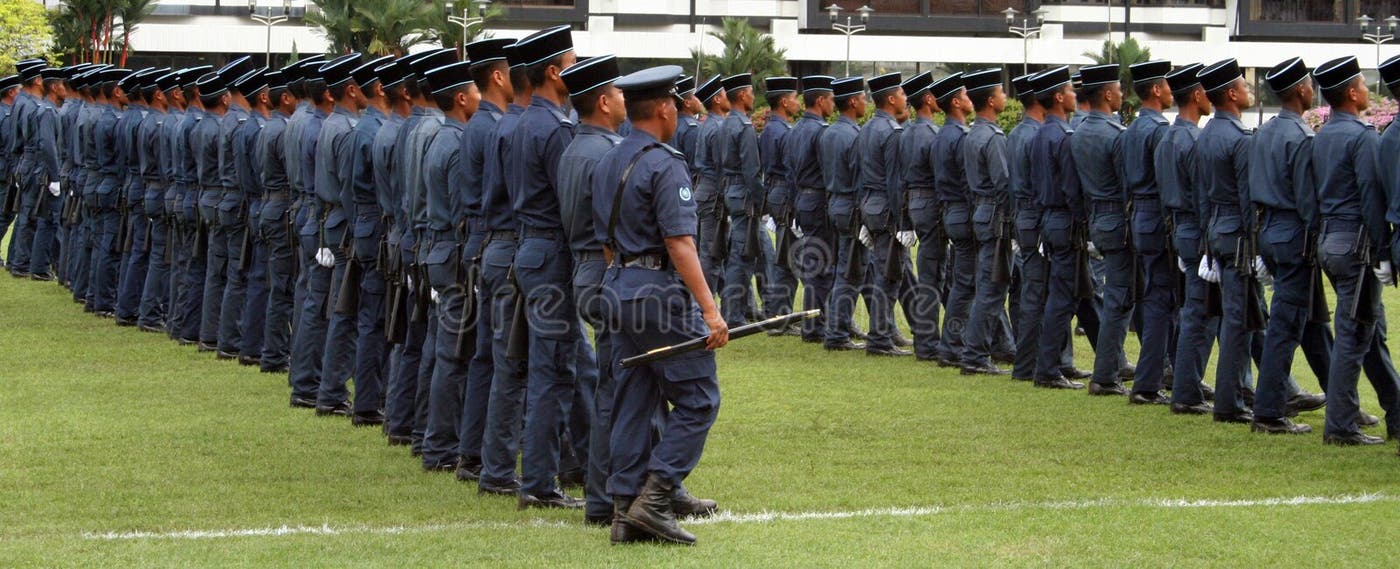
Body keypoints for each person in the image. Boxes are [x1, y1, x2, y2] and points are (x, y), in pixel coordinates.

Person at [592, 64, 726, 546]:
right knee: (698, 397)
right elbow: (680, 244)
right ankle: (656, 498)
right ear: (666, 109)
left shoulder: (608, 158)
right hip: (657, 293)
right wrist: (710, 311)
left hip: (618, 284)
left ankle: (625, 507)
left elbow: (605, 239)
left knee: (635, 394)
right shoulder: (665, 163)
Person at [1311, 56, 1400, 445]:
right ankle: (1341, 425)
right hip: (1357, 245)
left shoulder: (1323, 134)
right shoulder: (1362, 137)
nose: (1368, 91)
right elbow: (1371, 198)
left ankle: (1396, 411)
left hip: (1330, 240)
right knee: (1353, 336)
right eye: (1363, 85)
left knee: (1369, 331)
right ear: (1351, 92)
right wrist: (1382, 250)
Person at [556, 52, 625, 525]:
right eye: (619, 92)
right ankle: (606, 497)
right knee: (620, 387)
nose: (624, 99)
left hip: (582, 273)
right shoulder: (606, 153)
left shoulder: (573, 147)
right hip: (605, 274)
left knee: (616, 383)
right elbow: (611, 232)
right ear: (603, 101)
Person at [1248, 57, 1331, 433]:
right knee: (1285, 328)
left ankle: (1337, 403)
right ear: (1300, 90)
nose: (1312, 89)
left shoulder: (1264, 131)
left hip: (1269, 231)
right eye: (1309, 84)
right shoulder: (1300, 137)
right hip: (1294, 233)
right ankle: (1269, 413)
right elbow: (1307, 200)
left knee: (1301, 322)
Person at [453, 38, 514, 482]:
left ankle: (472, 454)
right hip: (495, 238)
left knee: (486, 358)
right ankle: (486, 458)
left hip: (481, 241)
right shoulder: (492, 126)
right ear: (498, 75)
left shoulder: (480, 124)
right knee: (502, 358)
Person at [420, 58, 483, 468]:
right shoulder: (458, 143)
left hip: (438, 251)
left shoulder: (439, 137)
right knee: (454, 354)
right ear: (461, 99)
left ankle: (438, 440)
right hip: (455, 255)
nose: (481, 96)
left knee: (446, 351)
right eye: (476, 91)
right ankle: (441, 446)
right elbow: (463, 212)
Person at [1194, 59, 1257, 424]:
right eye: (1245, 86)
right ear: (1231, 94)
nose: (1249, 92)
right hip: (1236, 236)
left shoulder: (1206, 135)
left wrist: (1206, 243)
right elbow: (1248, 201)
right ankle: (1229, 403)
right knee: (1237, 322)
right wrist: (1255, 246)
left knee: (1233, 319)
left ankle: (1234, 397)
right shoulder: (1238, 138)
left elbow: (1201, 196)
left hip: (1216, 232)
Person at [1070, 63, 1134, 396]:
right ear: (1107, 95)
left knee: (1116, 297)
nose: (1123, 95)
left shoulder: (1078, 132)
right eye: (1120, 90)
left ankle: (1111, 367)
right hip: (1118, 219)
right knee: (1119, 299)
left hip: (1096, 218)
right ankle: (1106, 374)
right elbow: (1127, 186)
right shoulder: (1115, 135)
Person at [1158, 63, 1217, 414]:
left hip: (1180, 229)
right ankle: (1187, 391)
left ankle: (1188, 387)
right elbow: (1202, 196)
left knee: (1196, 312)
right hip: (1196, 231)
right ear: (1197, 95)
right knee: (1200, 314)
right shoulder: (1193, 140)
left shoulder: (1168, 137)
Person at [1030, 66, 1089, 390]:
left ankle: (1051, 365)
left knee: (1059, 294)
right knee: (1061, 298)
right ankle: (1048, 369)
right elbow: (1071, 189)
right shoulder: (1063, 137)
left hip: (1048, 220)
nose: (1074, 95)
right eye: (1069, 90)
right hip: (1065, 220)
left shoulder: (1040, 133)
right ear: (1057, 97)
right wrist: (1084, 223)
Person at [1122, 60, 1175, 404]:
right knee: (1160, 301)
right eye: (1168, 85)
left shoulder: (1131, 129)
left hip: (1139, 215)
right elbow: (1166, 182)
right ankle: (1148, 382)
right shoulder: (1159, 130)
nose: (1172, 91)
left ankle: (1160, 374)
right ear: (1156, 90)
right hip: (1156, 215)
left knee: (1154, 297)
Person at [959, 68, 1015, 374]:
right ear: (991, 102)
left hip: (981, 213)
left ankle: (986, 350)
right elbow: (1004, 184)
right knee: (991, 289)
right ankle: (975, 356)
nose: (1005, 96)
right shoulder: (992, 137)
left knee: (987, 285)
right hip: (995, 216)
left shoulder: (973, 133)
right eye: (1001, 93)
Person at [855, 71, 915, 357]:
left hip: (871, 206)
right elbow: (895, 181)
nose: (906, 98)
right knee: (889, 276)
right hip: (887, 210)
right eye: (902, 93)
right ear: (891, 99)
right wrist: (904, 222)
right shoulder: (892, 131)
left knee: (883, 272)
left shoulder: (867, 128)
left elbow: (860, 174)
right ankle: (879, 339)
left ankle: (884, 334)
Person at [899, 72, 948, 363]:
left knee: (932, 272)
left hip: (913, 204)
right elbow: (940, 178)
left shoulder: (905, 132)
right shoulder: (932, 133)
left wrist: (904, 221)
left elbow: (897, 179)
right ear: (928, 99)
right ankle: (928, 341)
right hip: (930, 205)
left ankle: (928, 338)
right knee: (932, 275)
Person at [786, 75, 836, 345]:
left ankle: (812, 323)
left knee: (812, 262)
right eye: (830, 99)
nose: (833, 104)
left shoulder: (795, 130)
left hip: (802, 199)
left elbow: (790, 172)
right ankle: (815, 325)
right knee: (822, 265)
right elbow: (828, 172)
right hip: (818, 200)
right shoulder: (820, 130)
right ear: (820, 100)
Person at [820, 76, 868, 352]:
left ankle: (839, 327)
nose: (865, 103)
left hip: (835, 204)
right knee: (850, 273)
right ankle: (837, 333)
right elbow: (859, 178)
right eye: (863, 98)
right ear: (852, 102)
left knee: (843, 269)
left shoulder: (829, 132)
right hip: (851, 207)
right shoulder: (853, 135)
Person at [256, 66, 298, 375]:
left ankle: (274, 350)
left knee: (277, 284)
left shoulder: (268, 126)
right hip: (281, 206)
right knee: (282, 288)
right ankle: (274, 354)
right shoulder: (282, 130)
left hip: (269, 205)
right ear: (284, 99)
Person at [719, 73, 770, 327]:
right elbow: (752, 171)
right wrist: (763, 203)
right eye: (750, 92)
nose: (753, 96)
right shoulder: (744, 127)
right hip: (746, 197)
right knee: (741, 258)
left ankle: (767, 310)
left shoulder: (727, 123)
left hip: (733, 192)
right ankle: (733, 315)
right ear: (741, 95)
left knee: (758, 253)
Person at [931, 73, 976, 364]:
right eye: (967, 95)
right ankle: (953, 345)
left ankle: (955, 343)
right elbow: (967, 181)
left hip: (950, 211)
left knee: (962, 282)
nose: (972, 100)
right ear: (957, 102)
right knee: (965, 284)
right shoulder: (959, 137)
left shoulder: (942, 134)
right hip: (962, 211)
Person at [759, 76, 801, 329]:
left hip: (774, 192)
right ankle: (779, 317)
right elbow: (790, 170)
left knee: (786, 257)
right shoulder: (783, 132)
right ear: (784, 102)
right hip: (784, 194)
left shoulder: (769, 129)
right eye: (795, 99)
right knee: (788, 258)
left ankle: (779, 315)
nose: (797, 103)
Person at [691, 75, 727, 295]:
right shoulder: (717, 128)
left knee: (711, 252)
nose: (727, 97)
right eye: (723, 94)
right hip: (713, 193)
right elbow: (721, 166)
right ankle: (704, 307)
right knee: (711, 255)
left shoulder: (707, 125)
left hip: (704, 190)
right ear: (716, 99)